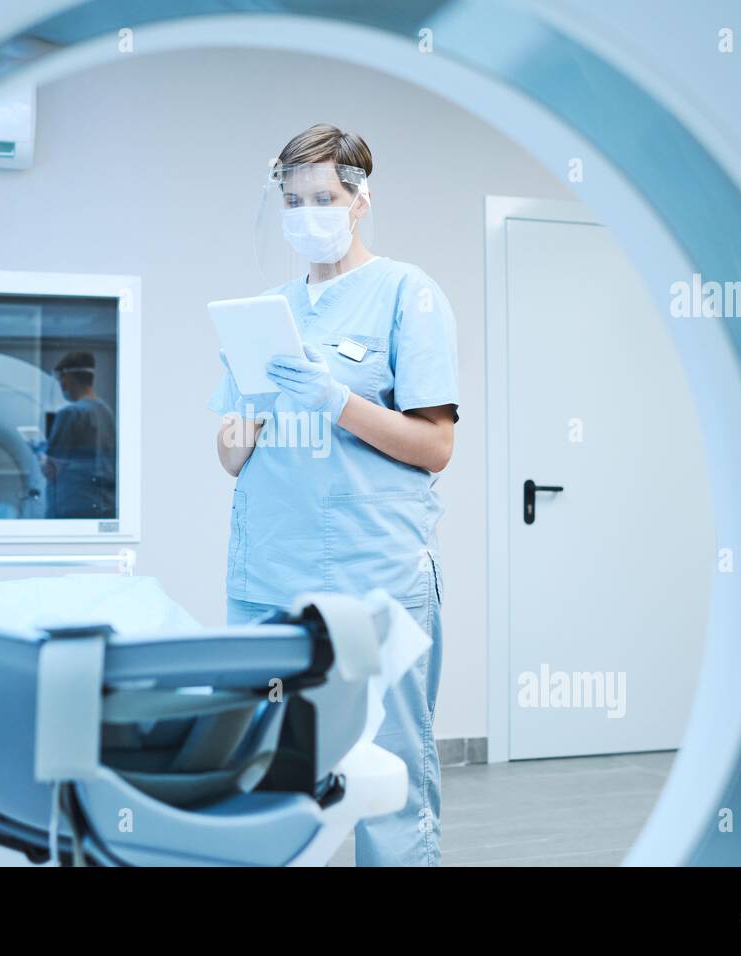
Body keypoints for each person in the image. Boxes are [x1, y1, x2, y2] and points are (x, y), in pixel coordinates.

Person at [209, 124, 459, 866]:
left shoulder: (406, 295)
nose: (307, 213)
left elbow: (436, 445)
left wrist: (336, 400)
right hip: (268, 580)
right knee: (268, 780)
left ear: (359, 199)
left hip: (372, 578)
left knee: (389, 782)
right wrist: (249, 410)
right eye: (294, 199)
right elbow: (228, 458)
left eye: (323, 196)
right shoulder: (263, 312)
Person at [42, 351, 116, 518]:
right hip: (103, 506)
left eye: (60, 378)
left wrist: (37, 451)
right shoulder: (106, 412)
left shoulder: (70, 414)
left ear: (66, 378)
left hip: (71, 509)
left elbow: (51, 470)